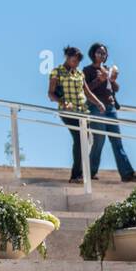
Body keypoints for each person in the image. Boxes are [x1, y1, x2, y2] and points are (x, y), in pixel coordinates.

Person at [49, 45, 109, 184]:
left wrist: (99, 103)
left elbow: (87, 93)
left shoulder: (79, 74)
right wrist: (63, 102)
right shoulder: (57, 72)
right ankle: (75, 175)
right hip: (68, 111)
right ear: (67, 57)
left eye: (77, 61)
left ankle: (80, 173)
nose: (75, 63)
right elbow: (50, 94)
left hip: (83, 111)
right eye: (73, 60)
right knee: (79, 138)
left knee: (86, 139)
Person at [83, 42, 136, 182]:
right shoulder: (87, 70)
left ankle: (127, 174)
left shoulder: (108, 69)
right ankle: (90, 172)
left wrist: (112, 80)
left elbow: (115, 89)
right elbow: (86, 89)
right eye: (99, 53)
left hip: (110, 107)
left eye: (104, 53)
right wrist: (99, 79)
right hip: (96, 107)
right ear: (93, 54)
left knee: (117, 141)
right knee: (99, 141)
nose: (102, 55)